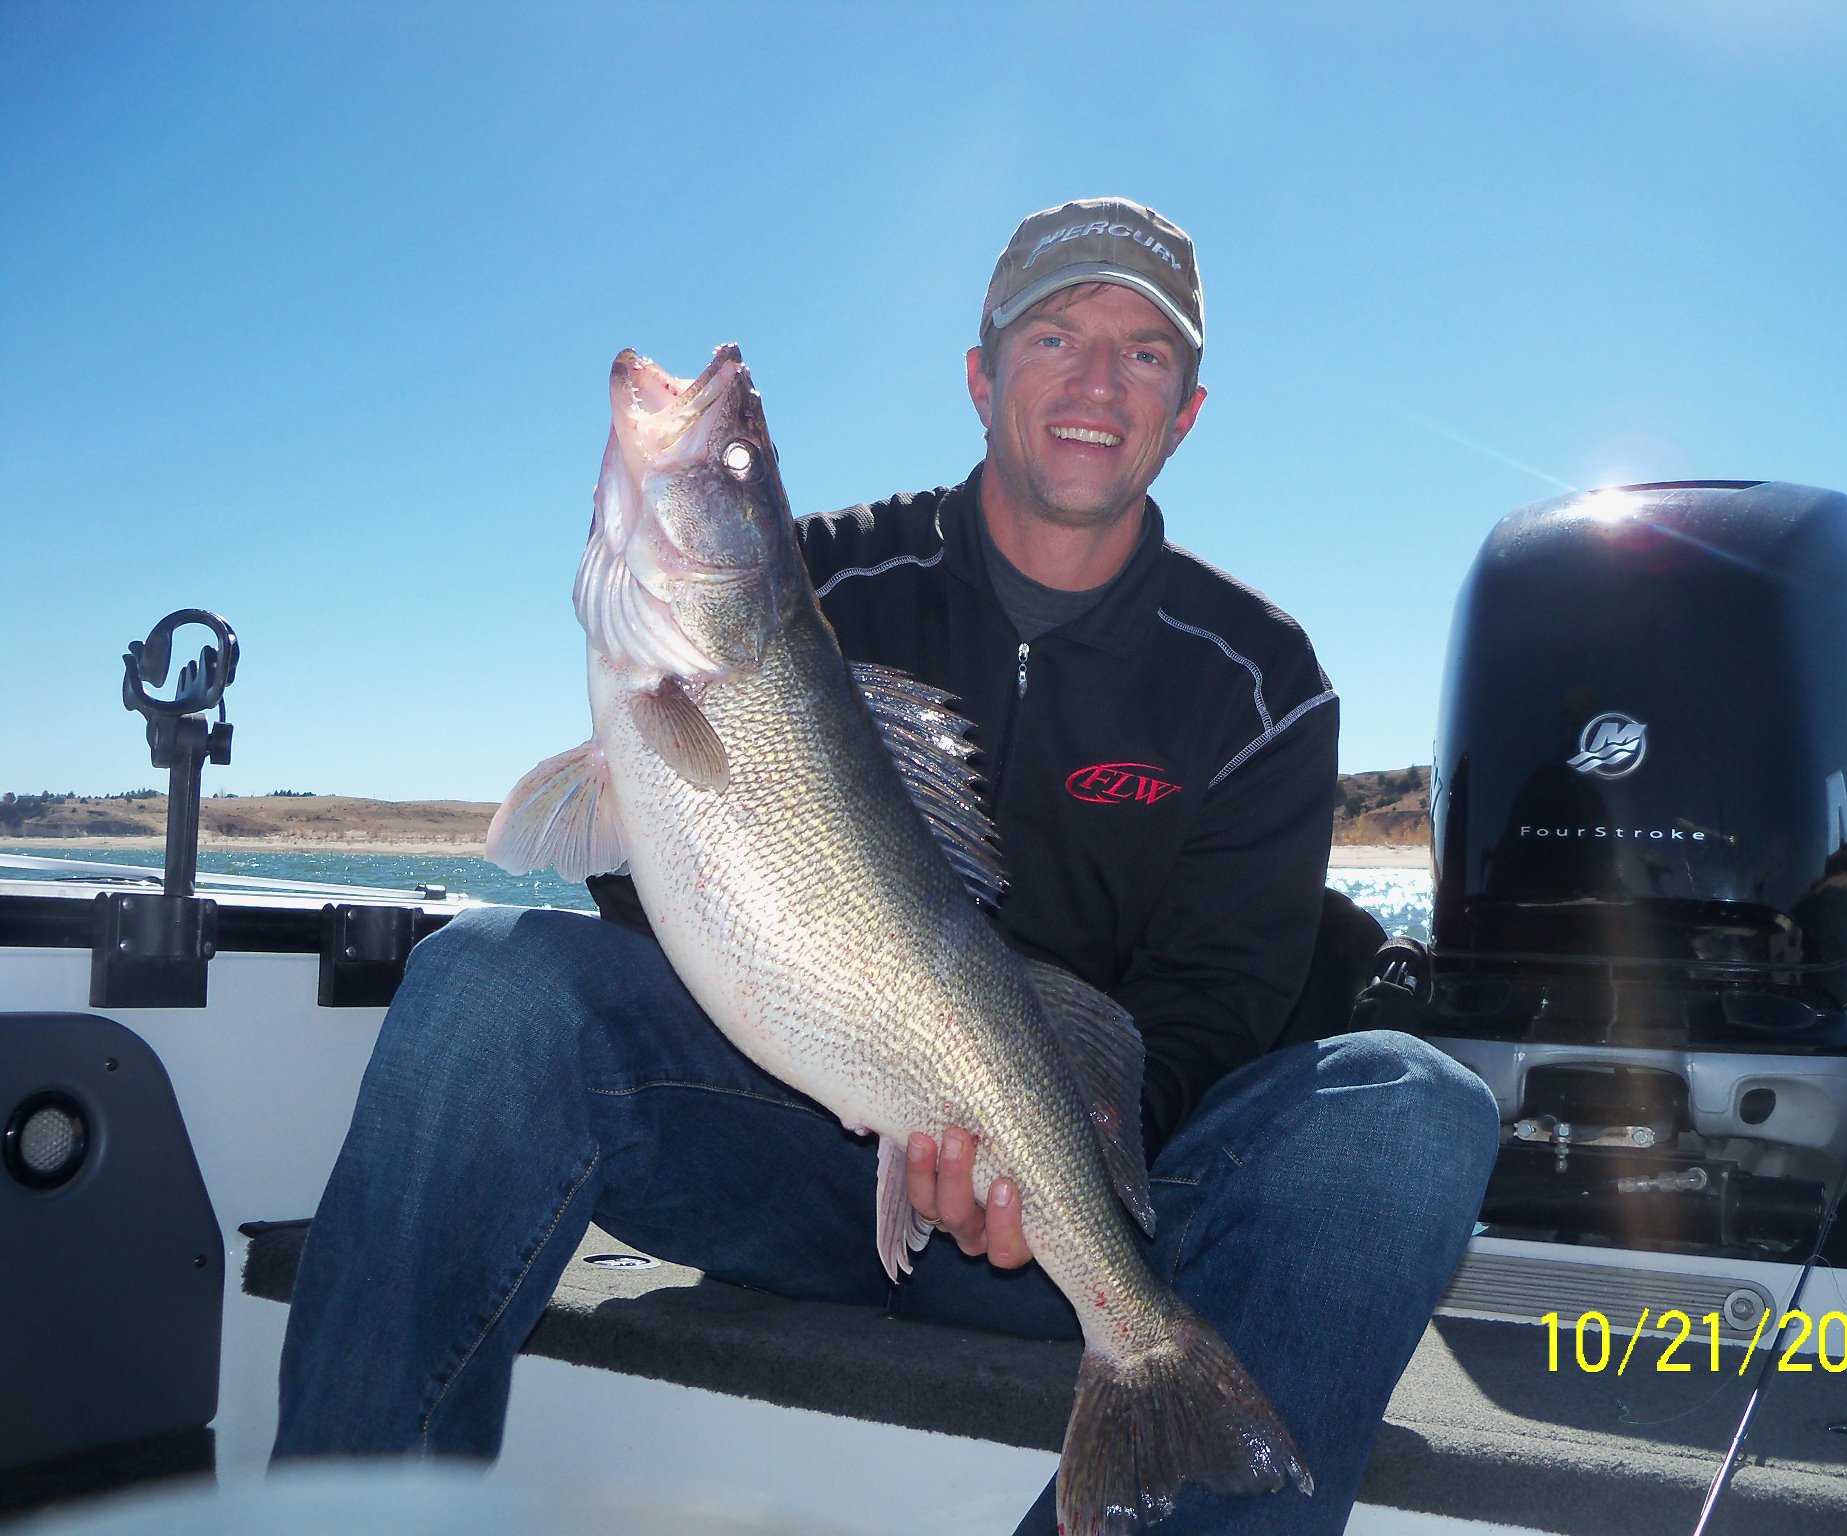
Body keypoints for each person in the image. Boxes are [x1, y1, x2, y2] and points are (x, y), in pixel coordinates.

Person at [273, 198, 1500, 1533]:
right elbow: (651, 907)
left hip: (1108, 1208)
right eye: (1054, 335)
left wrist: (1060, 1165)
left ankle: (1147, 1375)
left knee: (1411, 1104)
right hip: (798, 1159)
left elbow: (1218, 1001)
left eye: (1145, 353)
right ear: (982, 376)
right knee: (488, 983)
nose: (1097, 381)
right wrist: (645, 725)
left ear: (1187, 408)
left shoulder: (1263, 680)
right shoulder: (833, 583)